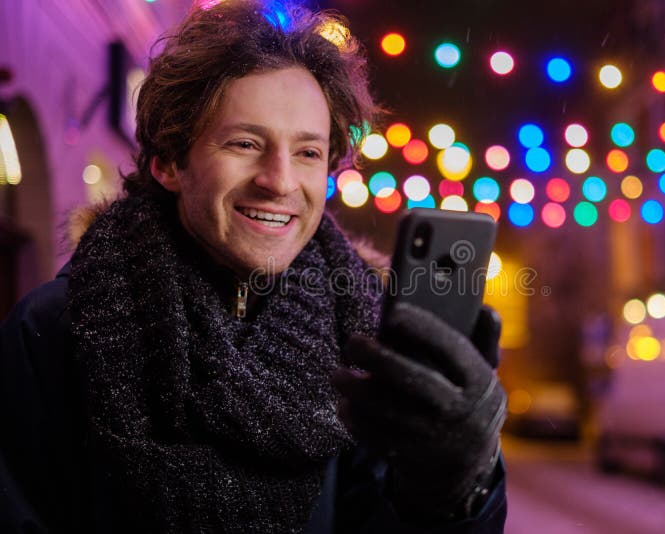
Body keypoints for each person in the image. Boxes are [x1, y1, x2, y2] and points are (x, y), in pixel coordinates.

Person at [0, 0, 507, 532]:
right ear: (169, 162)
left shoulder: (362, 342)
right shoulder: (55, 330)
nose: (280, 181)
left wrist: (456, 492)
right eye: (245, 144)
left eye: (308, 153)